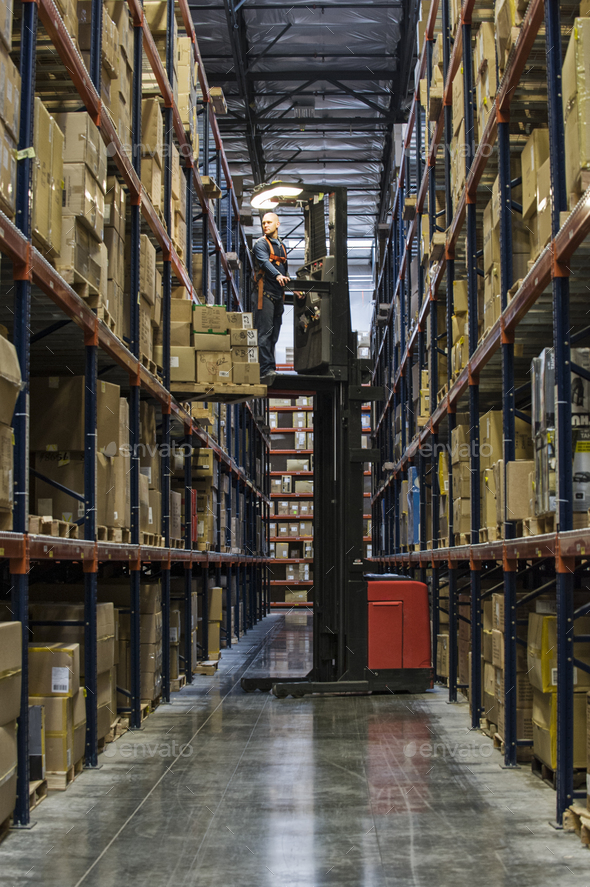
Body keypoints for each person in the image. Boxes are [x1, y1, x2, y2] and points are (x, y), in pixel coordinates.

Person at [253, 212, 290, 385]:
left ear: (277, 224)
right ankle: (264, 370)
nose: (265, 225)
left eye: (269, 222)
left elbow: (285, 271)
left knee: (274, 335)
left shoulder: (282, 246)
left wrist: (293, 290)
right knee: (264, 334)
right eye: (263, 223)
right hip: (265, 294)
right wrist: (276, 276)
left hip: (278, 296)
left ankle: (271, 368)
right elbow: (264, 263)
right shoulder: (260, 244)